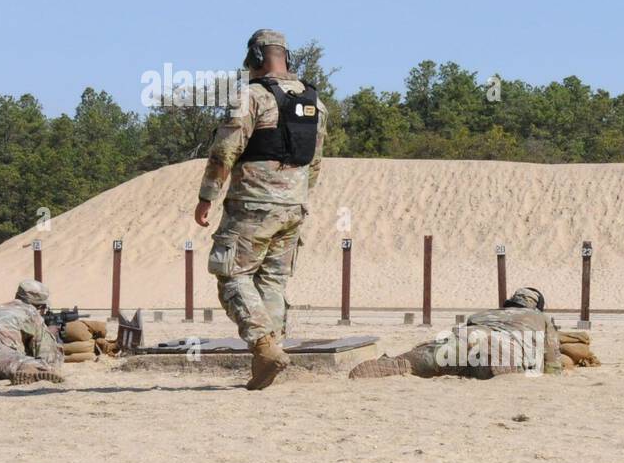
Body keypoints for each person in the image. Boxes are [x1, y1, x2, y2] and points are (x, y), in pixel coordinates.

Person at [195, 29, 327, 390]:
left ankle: (264, 347)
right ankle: (270, 354)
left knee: (232, 275)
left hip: (252, 204)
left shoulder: (252, 97)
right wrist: (298, 197)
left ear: (255, 57)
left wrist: (207, 195)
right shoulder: (315, 102)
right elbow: (315, 162)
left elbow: (225, 151)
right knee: (273, 280)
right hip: (294, 207)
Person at [349, 287, 563, 379]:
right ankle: (486, 368)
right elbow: (552, 361)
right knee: (492, 360)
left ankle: (402, 363)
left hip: (471, 334)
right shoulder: (541, 319)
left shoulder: (484, 314)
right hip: (504, 349)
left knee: (434, 356)